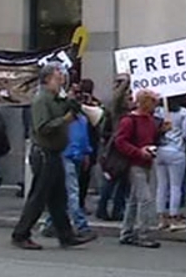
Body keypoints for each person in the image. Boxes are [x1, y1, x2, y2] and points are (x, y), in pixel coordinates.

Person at [13, 64, 93, 250]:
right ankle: (21, 234)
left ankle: (66, 235)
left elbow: (66, 108)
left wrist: (73, 103)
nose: (62, 80)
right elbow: (43, 127)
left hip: (54, 153)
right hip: (43, 153)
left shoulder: (57, 99)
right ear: (48, 79)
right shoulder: (42, 100)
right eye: (58, 77)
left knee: (58, 197)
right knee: (39, 196)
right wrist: (65, 120)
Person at [111, 90, 163, 249]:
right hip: (134, 164)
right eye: (153, 101)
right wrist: (138, 152)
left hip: (145, 162)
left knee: (134, 200)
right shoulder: (129, 120)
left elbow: (152, 138)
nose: (155, 105)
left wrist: (161, 132)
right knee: (145, 199)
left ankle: (126, 232)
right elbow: (120, 142)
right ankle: (143, 234)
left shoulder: (149, 120)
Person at [44, 105, 95, 241]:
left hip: (75, 156)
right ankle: (81, 225)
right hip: (67, 156)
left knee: (64, 193)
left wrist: (86, 153)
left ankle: (51, 223)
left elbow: (84, 139)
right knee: (72, 192)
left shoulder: (81, 119)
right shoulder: (70, 120)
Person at [95, 77, 132, 221]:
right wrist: (126, 82)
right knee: (112, 179)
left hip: (127, 147)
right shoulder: (116, 110)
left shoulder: (129, 111)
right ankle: (102, 208)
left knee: (124, 183)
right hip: (116, 149)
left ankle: (118, 209)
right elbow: (116, 98)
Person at [154, 108, 186, 231]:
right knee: (175, 186)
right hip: (176, 150)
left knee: (161, 185)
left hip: (160, 150)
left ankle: (161, 218)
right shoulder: (184, 113)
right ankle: (174, 217)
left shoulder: (159, 111)